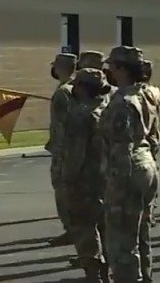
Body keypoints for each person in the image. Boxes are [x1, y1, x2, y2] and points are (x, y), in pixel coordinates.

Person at [100, 46, 160, 283]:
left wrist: (115, 180)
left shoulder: (122, 101)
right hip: (146, 163)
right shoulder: (145, 94)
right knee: (141, 231)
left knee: (122, 237)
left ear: (122, 69)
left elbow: (122, 144)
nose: (109, 71)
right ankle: (145, 276)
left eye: (112, 66)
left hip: (129, 167)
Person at [63, 68, 110, 282]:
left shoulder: (81, 114)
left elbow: (76, 153)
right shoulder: (109, 108)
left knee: (84, 227)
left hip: (86, 178)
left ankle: (93, 274)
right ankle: (107, 271)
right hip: (109, 176)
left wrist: (68, 179)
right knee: (107, 227)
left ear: (82, 88)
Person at [48, 52, 78, 247]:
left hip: (64, 150)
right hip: (74, 147)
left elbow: (63, 124)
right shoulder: (78, 87)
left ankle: (72, 229)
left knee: (64, 192)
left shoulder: (63, 91)